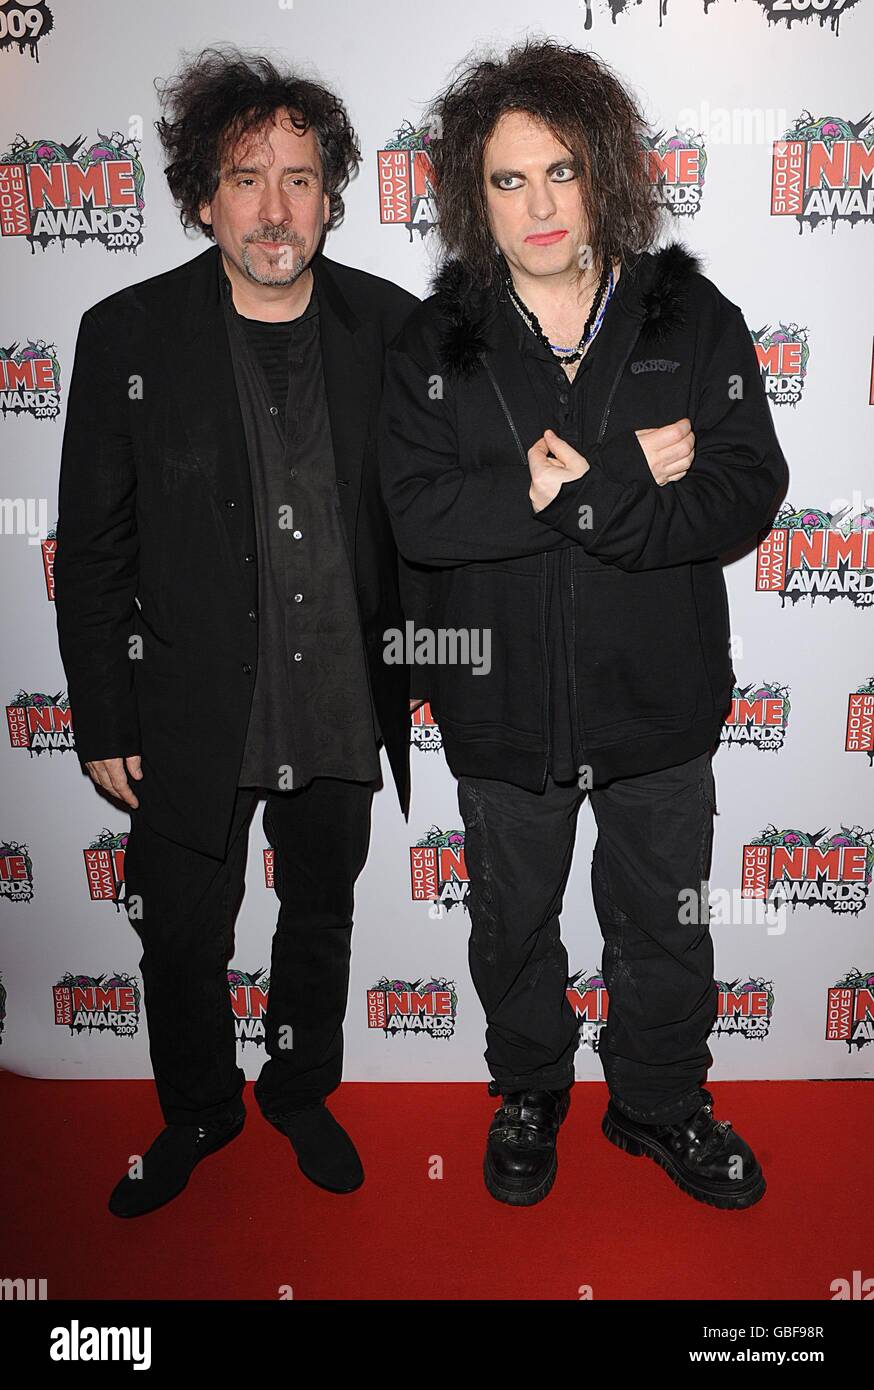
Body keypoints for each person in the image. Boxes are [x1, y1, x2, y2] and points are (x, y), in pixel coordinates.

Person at [378, 39, 788, 1209]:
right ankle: (529, 1089)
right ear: (473, 195)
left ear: (603, 172)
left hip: (657, 697)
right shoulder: (435, 342)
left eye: (560, 172)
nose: (539, 205)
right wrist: (579, 479)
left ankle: (660, 1102)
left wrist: (589, 495)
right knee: (509, 924)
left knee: (664, 926)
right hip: (498, 703)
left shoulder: (688, 315)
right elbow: (418, 513)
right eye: (509, 181)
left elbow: (741, 488)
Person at [54, 46, 419, 1218]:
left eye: (301, 178)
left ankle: (300, 1089)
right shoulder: (126, 335)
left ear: (333, 194)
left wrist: (420, 671)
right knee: (182, 934)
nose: (274, 208)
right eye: (246, 177)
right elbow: (95, 546)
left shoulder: (393, 328)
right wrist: (103, 710)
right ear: (202, 196)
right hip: (190, 702)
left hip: (337, 696)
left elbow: (423, 526)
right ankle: (200, 1107)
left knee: (319, 912)